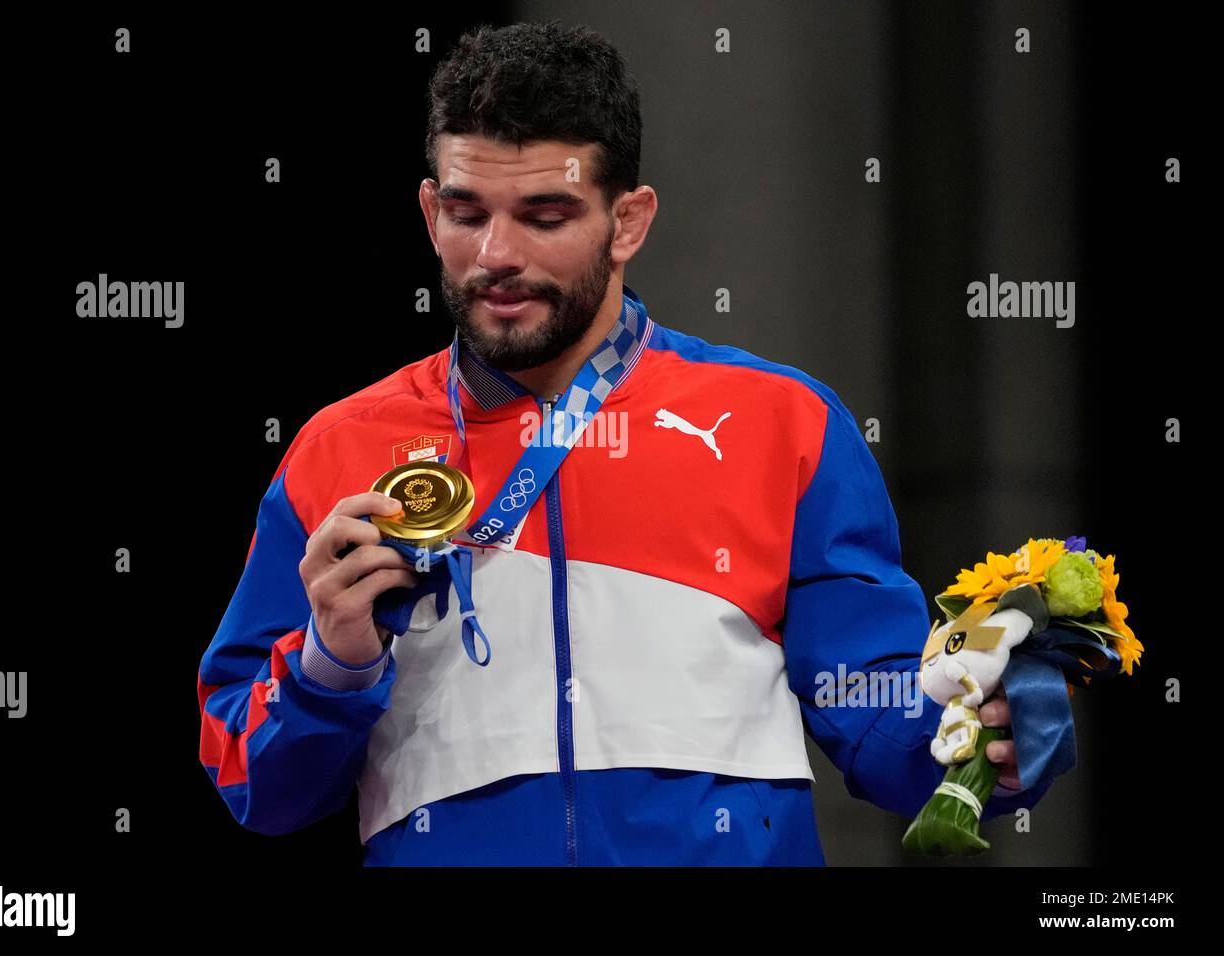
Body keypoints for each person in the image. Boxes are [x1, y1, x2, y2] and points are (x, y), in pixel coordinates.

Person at [197, 21, 1047, 865]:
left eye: (545, 216)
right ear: (429, 211)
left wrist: (978, 734)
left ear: (628, 221)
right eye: (466, 213)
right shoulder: (339, 449)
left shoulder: (779, 421)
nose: (496, 254)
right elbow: (255, 785)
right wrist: (330, 667)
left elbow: (872, 710)